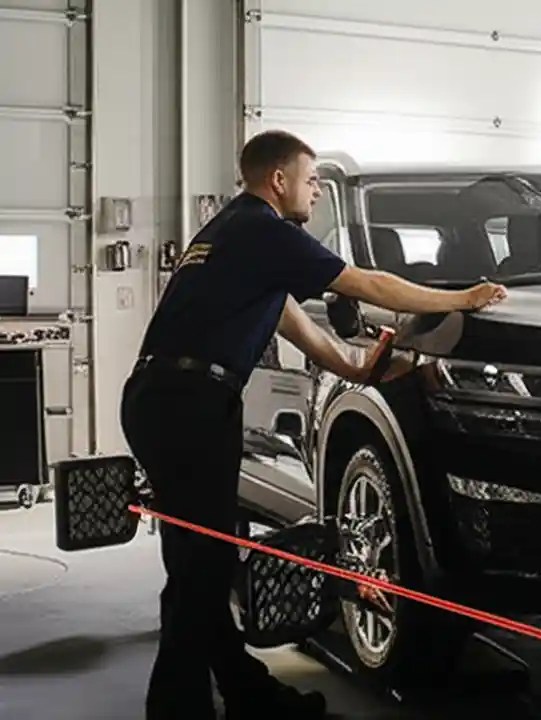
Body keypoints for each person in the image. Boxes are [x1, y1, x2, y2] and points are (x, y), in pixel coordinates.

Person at [120, 129, 507, 719]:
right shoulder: (263, 230)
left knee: (201, 561)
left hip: (167, 400)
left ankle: (247, 693)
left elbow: (325, 348)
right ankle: (176, 708)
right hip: (189, 404)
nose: (317, 191)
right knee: (202, 568)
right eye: (310, 179)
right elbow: (371, 285)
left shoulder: (237, 240)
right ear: (278, 180)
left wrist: (383, 368)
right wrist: (463, 298)